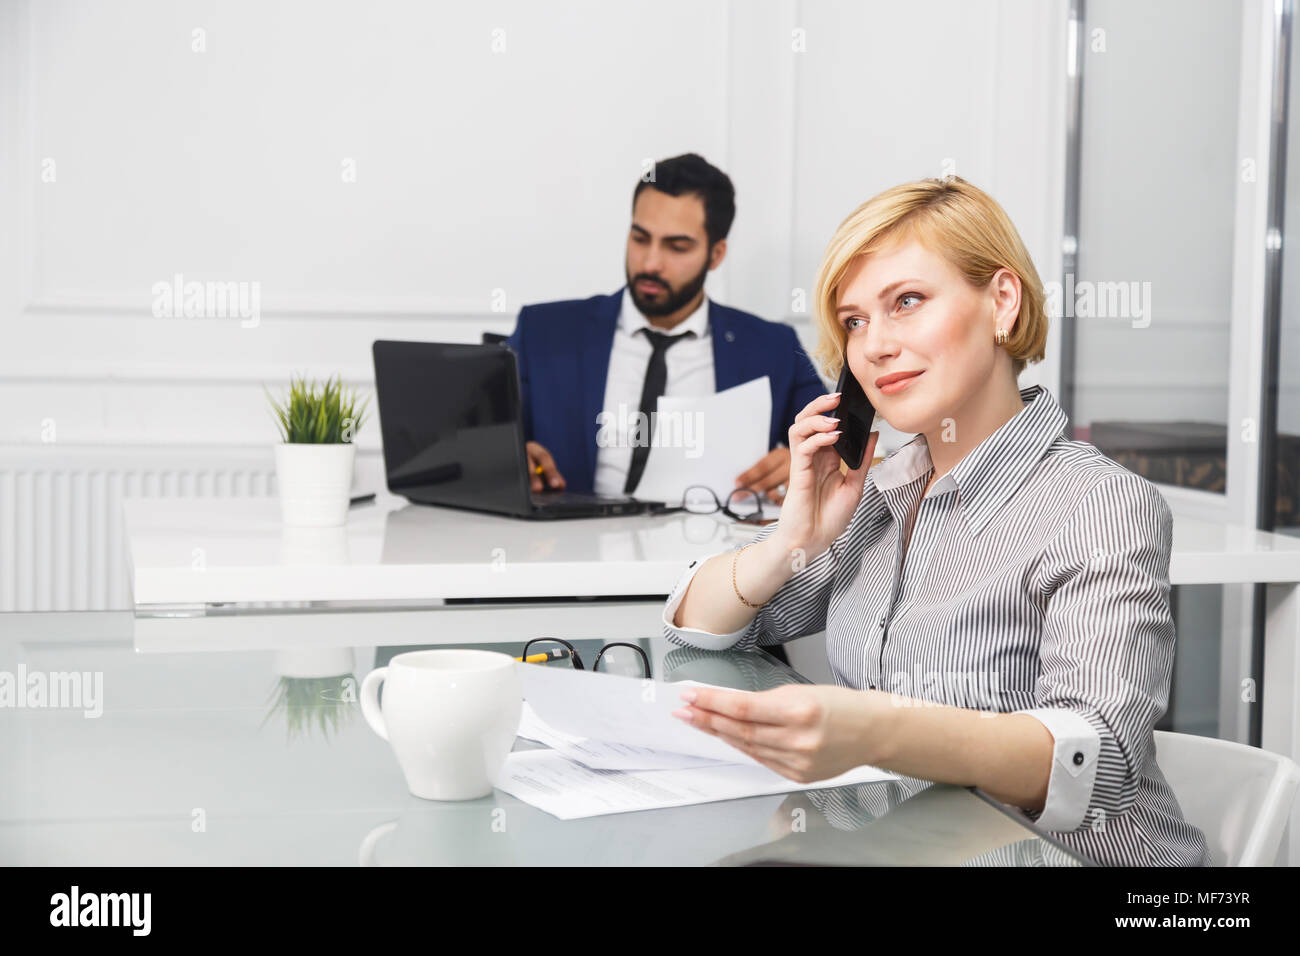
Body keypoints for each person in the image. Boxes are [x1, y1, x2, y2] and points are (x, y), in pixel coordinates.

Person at [659, 176, 1211, 867]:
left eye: (907, 303)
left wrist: (878, 731)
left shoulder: (1097, 505)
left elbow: (1093, 758)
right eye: (855, 320)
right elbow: (704, 629)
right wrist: (795, 540)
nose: (874, 346)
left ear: (1001, 302)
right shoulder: (884, 490)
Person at [504, 153, 825, 505]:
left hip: (712, 550)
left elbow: (844, 442)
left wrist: (809, 461)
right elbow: (467, 441)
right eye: (640, 238)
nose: (650, 263)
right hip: (563, 548)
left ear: (716, 255)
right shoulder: (544, 332)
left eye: (677, 247)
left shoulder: (771, 347)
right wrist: (507, 456)